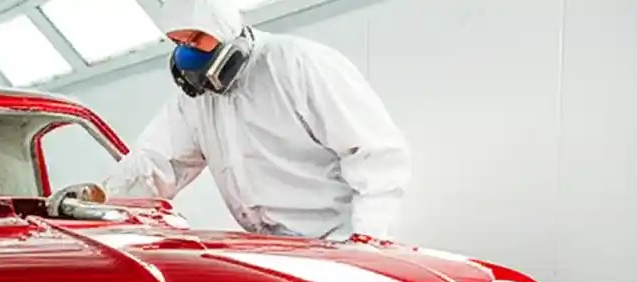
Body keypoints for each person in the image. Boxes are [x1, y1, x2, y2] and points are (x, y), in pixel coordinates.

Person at [105, 0, 411, 242]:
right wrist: (98, 199)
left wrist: (368, 237)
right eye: (178, 43)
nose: (187, 56)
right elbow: (157, 165)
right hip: (270, 251)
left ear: (223, 28)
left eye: (195, 39)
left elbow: (375, 152)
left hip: (337, 243)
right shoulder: (195, 100)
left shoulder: (296, 64)